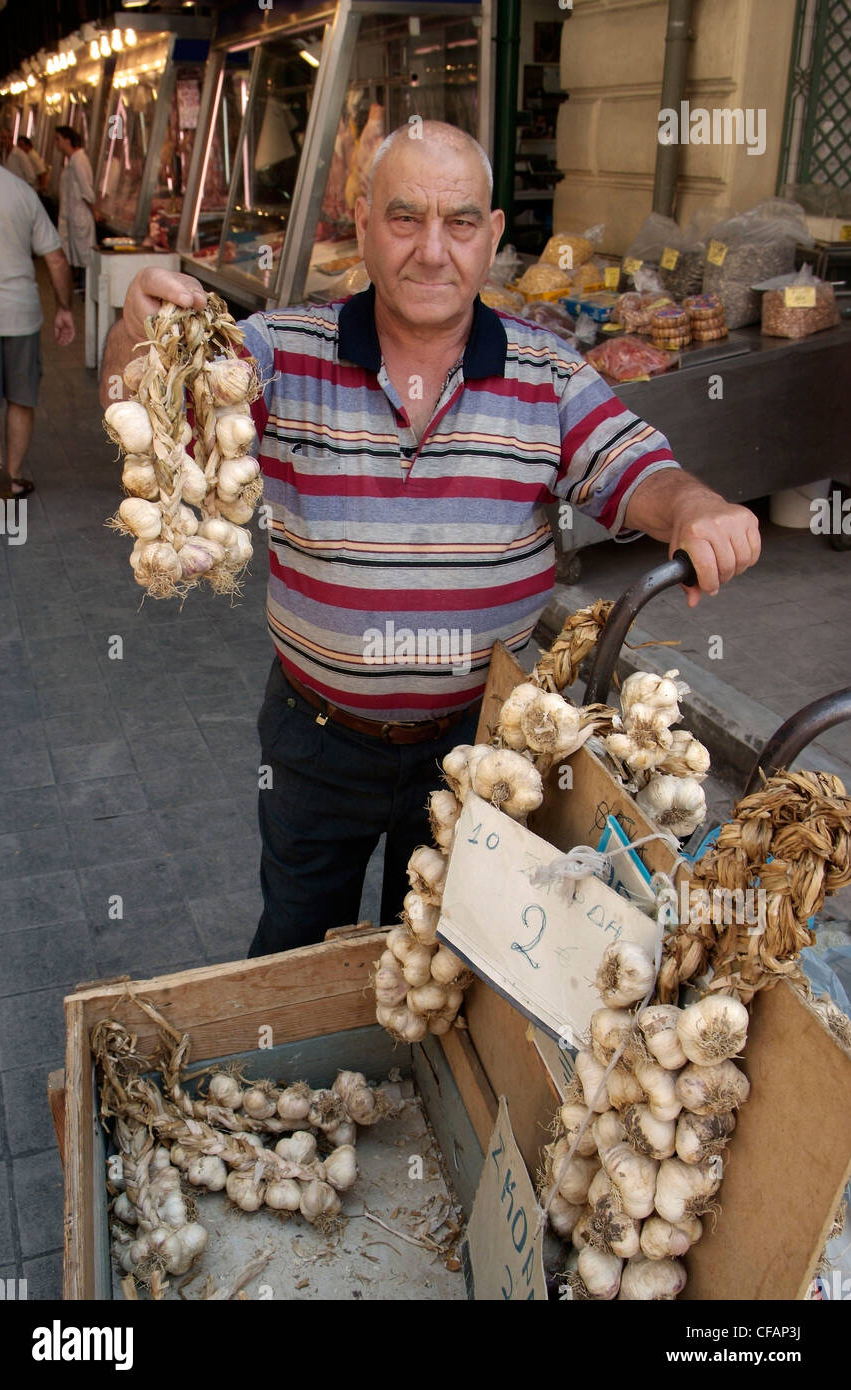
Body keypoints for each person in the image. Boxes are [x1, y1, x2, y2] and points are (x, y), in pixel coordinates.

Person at [101, 121, 760, 957]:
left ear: (490, 238)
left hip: (483, 744)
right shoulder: (276, 350)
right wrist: (136, 334)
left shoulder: (548, 375)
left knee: (449, 963)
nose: (431, 250)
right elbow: (147, 417)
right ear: (364, 224)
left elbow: (636, 470)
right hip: (316, 736)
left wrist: (693, 507)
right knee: (297, 947)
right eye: (405, 218)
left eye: (458, 223)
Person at [0, 97, 75, 502]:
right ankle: (15, 475)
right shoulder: (20, 190)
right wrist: (65, 309)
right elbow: (55, 258)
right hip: (20, 313)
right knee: (21, 397)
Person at [54, 125, 96, 291]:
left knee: (84, 252)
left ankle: (86, 286)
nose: (56, 144)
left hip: (81, 215)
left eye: (58, 140)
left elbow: (86, 190)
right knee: (76, 251)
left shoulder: (79, 160)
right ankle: (80, 283)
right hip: (73, 215)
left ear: (67, 140)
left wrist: (95, 210)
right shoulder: (72, 161)